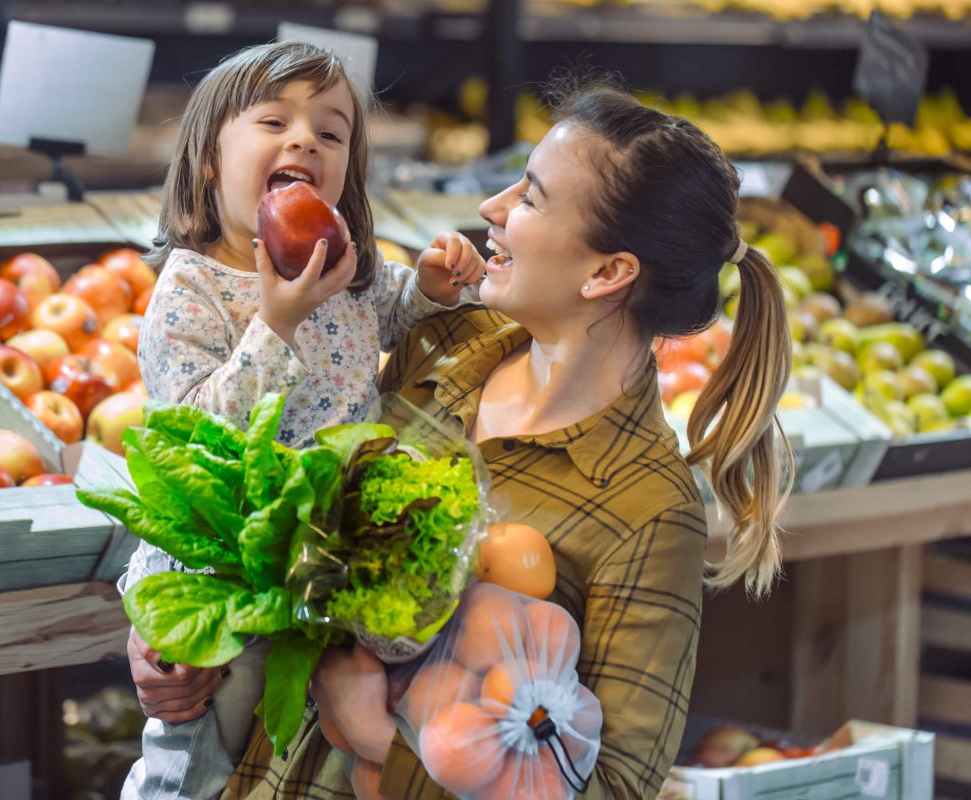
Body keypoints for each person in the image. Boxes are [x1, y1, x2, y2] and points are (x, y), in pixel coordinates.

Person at [219, 78, 795, 799]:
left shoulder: (650, 511)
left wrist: (380, 742)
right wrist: (188, 658)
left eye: (528, 198)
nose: (490, 210)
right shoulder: (443, 347)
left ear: (608, 273)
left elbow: (616, 786)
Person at [123, 40, 485, 799]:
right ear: (208, 164)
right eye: (273, 122)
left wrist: (432, 285)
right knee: (205, 751)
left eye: (330, 132)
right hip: (230, 573)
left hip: (325, 572)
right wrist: (276, 324)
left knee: (296, 760)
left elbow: (397, 311)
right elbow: (193, 439)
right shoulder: (194, 289)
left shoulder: (348, 269)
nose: (304, 141)